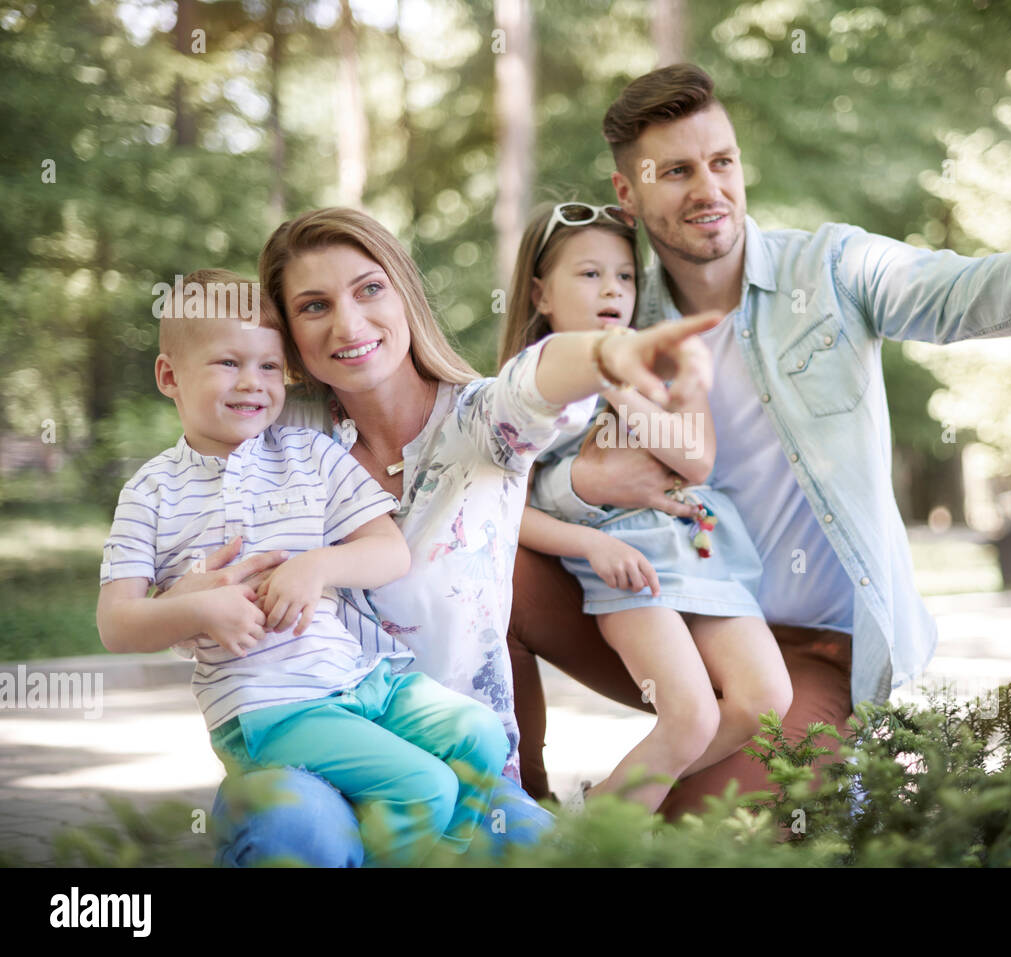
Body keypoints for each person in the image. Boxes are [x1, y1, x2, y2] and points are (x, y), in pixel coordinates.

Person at [510, 62, 1011, 817]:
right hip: (683, 621)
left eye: (722, 162)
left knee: (703, 835)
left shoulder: (831, 268)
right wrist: (588, 484)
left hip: (816, 650)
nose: (709, 189)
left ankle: (731, 782)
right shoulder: (617, 312)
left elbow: (958, 293)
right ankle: (519, 807)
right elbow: (532, 464)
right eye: (678, 171)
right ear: (629, 194)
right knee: (504, 564)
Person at [160, 210, 720, 864]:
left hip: (460, 778)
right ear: (288, 334)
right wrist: (190, 598)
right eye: (315, 305)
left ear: (404, 293)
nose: (348, 323)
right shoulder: (271, 438)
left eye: (369, 289)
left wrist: (604, 354)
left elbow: (534, 381)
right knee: (296, 833)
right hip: (309, 767)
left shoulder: (479, 423)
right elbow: (182, 553)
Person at [97, 269, 508, 865]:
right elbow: (117, 623)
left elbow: (389, 552)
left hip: (361, 681)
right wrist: (198, 607)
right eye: (227, 363)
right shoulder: (151, 492)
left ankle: (422, 853)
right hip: (268, 707)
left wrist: (317, 566)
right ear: (169, 377)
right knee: (426, 785)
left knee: (480, 735)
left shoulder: (309, 454)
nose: (252, 384)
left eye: (268, 367)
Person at [500, 202, 791, 810]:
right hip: (629, 570)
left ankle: (596, 809)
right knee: (688, 716)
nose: (612, 288)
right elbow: (506, 509)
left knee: (764, 702)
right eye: (589, 274)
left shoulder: (662, 363)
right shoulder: (531, 390)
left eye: (625, 275)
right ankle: (592, 843)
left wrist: (622, 387)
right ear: (539, 293)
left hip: (706, 554)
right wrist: (592, 543)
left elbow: (696, 460)